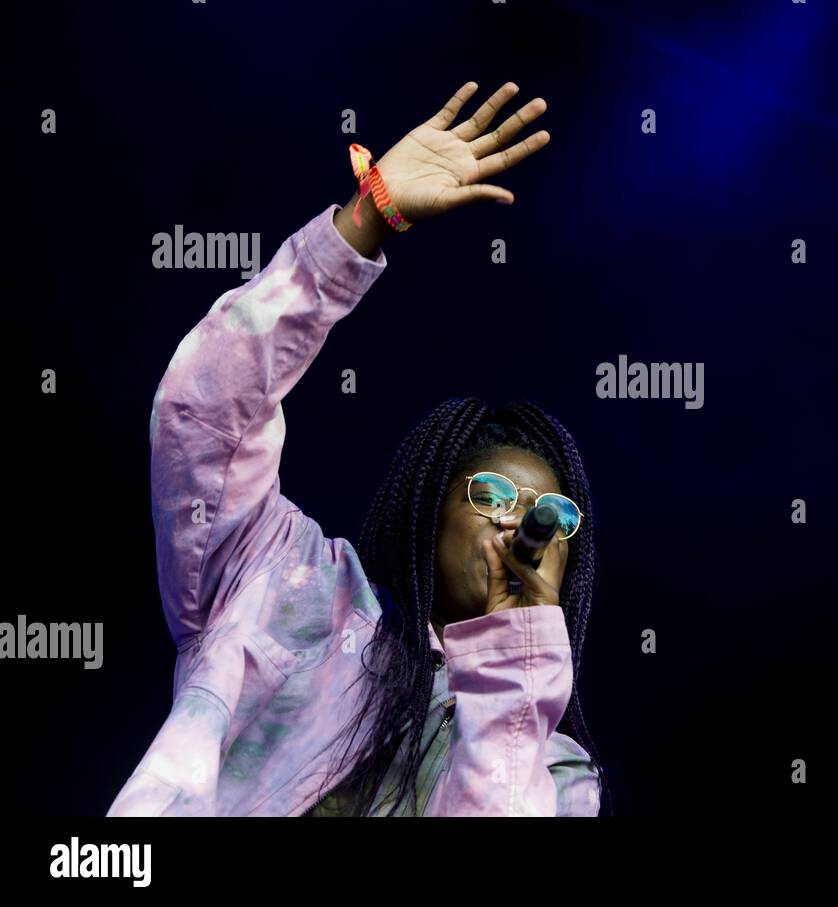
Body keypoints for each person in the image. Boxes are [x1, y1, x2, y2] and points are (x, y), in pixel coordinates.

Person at [107, 82, 607, 817]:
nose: (519, 524)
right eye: (493, 496)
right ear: (428, 513)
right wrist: (362, 222)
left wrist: (515, 662)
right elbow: (203, 414)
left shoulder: (559, 776)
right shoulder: (290, 586)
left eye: (550, 515)